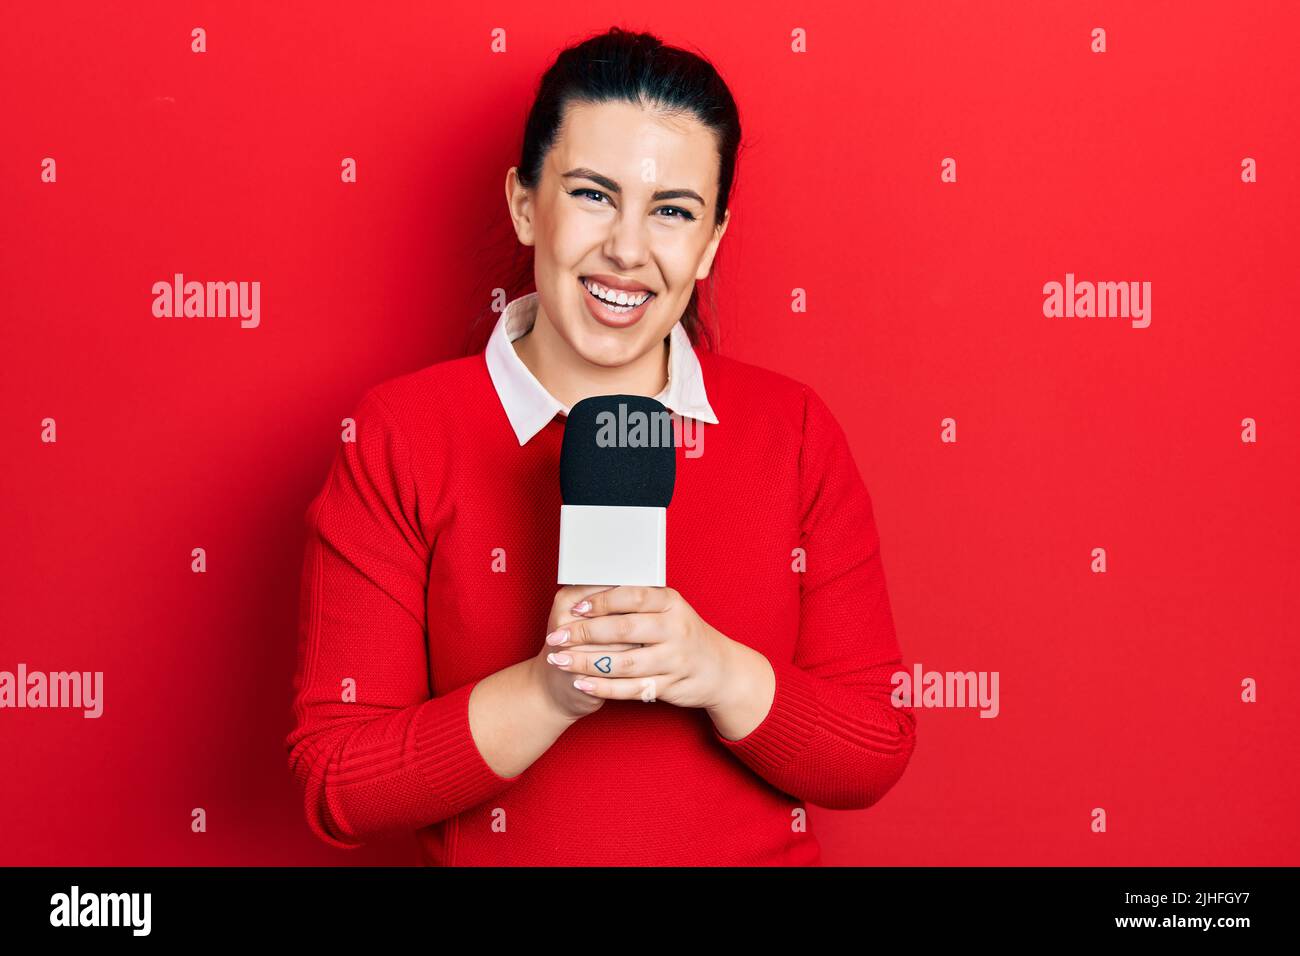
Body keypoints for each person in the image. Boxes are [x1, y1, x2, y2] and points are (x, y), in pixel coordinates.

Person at [285, 26, 916, 866]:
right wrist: (551, 689)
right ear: (523, 203)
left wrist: (716, 670)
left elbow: (871, 750)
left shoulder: (791, 431)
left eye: (673, 211)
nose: (626, 248)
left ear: (712, 241)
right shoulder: (403, 434)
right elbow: (338, 782)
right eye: (592, 194)